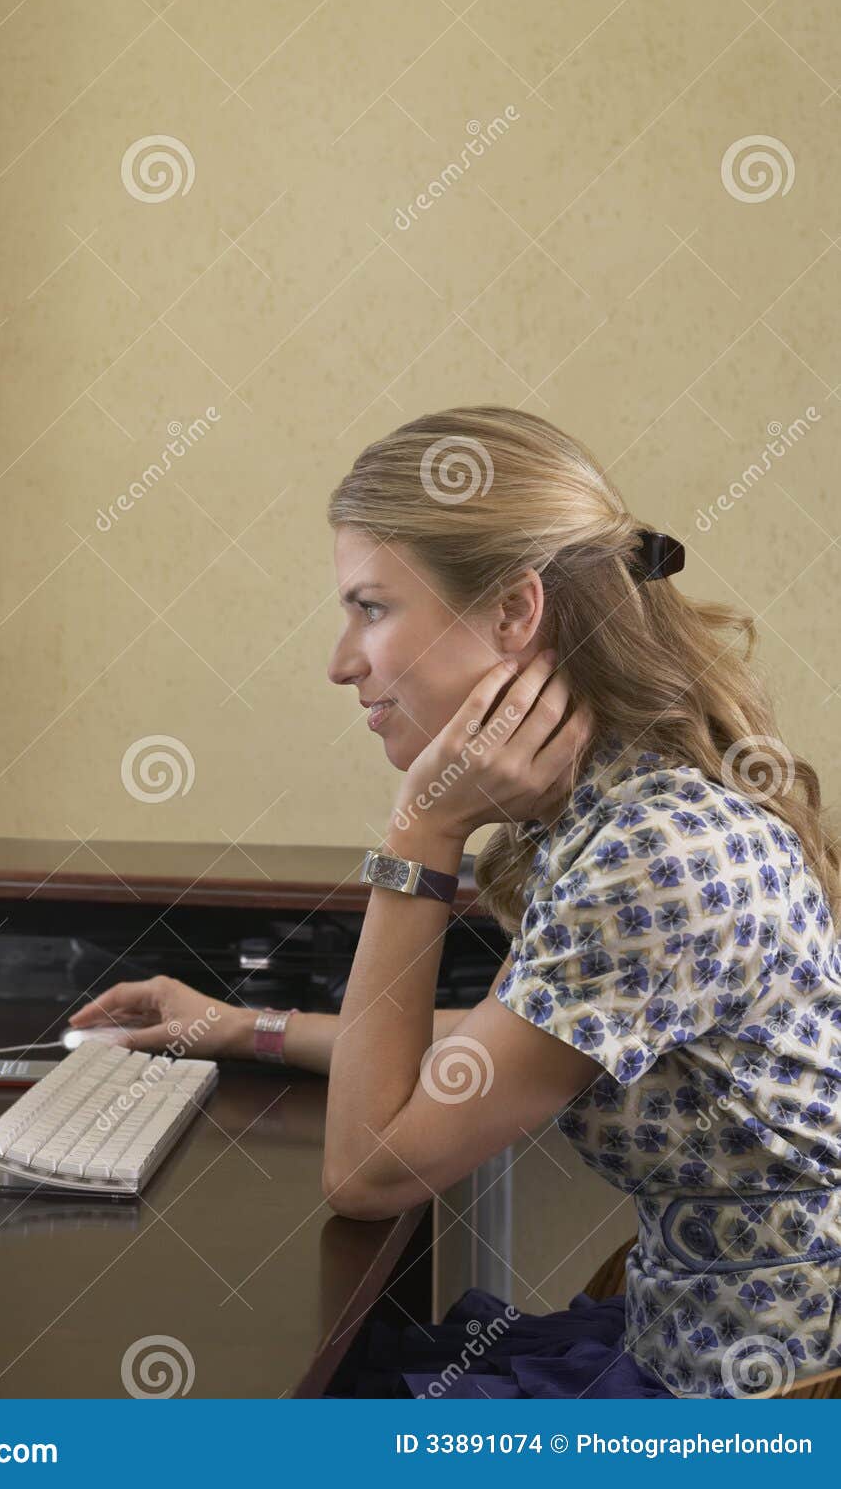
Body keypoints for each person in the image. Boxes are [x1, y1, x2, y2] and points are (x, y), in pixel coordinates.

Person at [69, 405, 841, 1400]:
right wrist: (239, 1026)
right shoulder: (620, 806)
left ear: (514, 612)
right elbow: (504, 1036)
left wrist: (419, 834)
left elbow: (366, 1175)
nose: (340, 661)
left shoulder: (654, 853)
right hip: (690, 1346)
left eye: (370, 607)